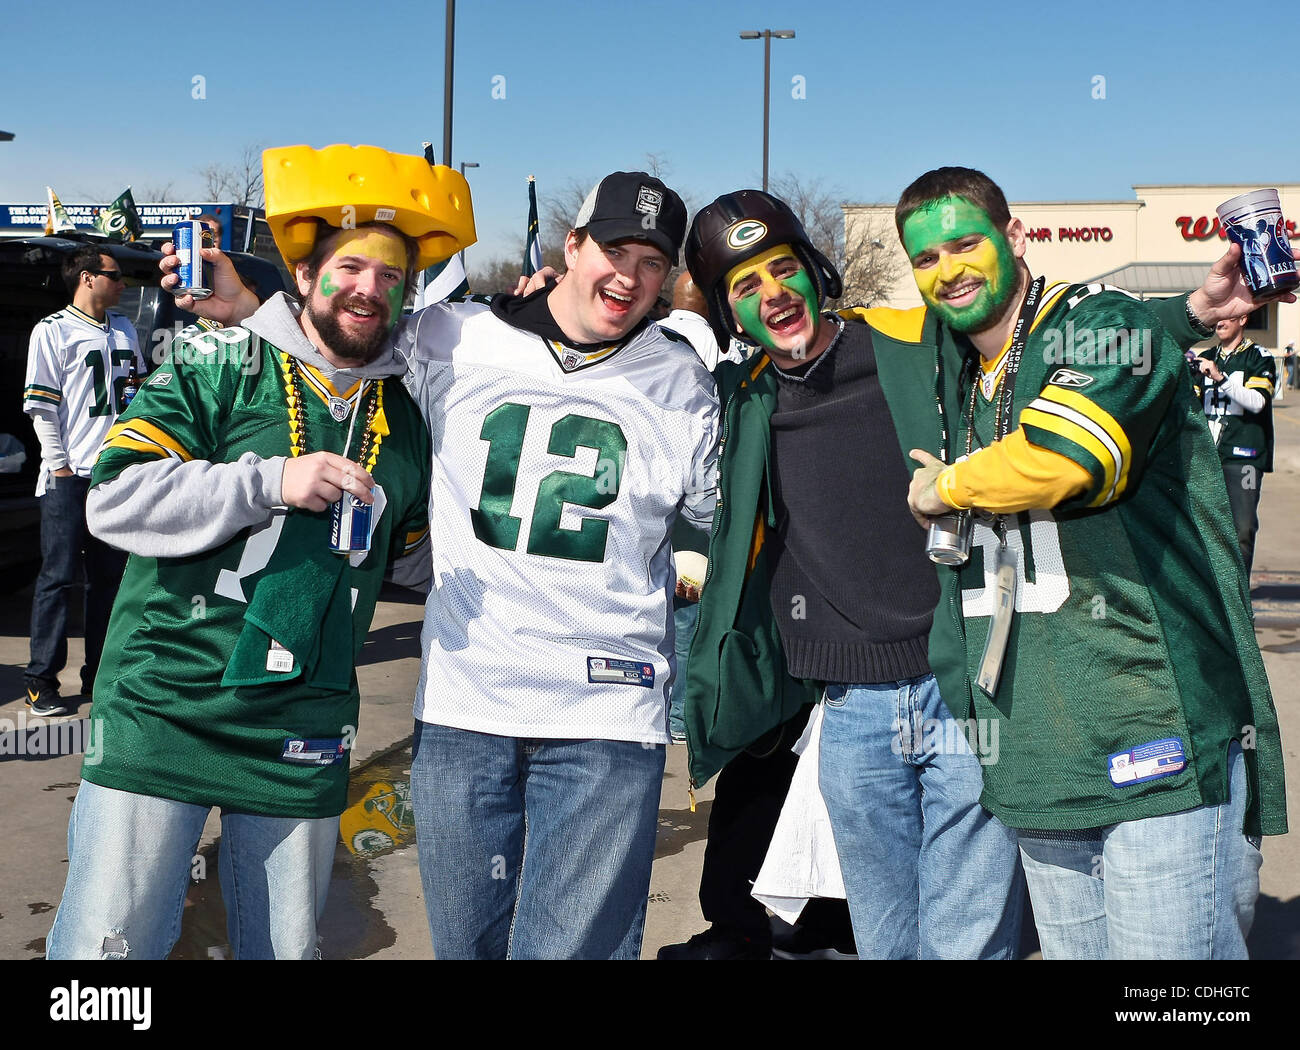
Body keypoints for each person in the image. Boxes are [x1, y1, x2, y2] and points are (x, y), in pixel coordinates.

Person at [167, 170, 717, 960]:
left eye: (653, 262)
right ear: (573, 245)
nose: (629, 276)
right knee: (465, 947)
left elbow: (726, 517)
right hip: (466, 707)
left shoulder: (682, 382)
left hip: (605, 717)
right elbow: (344, 350)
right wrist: (254, 311)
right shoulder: (454, 335)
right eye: (614, 249)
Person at [45, 145, 447, 959]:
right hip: (166, 710)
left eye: (391, 276)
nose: (370, 289)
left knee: (286, 952)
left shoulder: (407, 414)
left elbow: (412, 559)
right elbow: (113, 498)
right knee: (107, 952)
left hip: (302, 729)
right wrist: (266, 482)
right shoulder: (218, 356)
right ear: (302, 277)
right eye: (350, 268)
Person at [899, 167, 1288, 959]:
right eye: (927, 259)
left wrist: (945, 487)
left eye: (966, 243)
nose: (950, 271)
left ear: (1014, 238)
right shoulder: (959, 369)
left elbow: (1069, 457)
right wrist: (1183, 316)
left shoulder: (1097, 319)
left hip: (1152, 738)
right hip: (1041, 751)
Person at [670, 189, 1022, 960]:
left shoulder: (914, 349)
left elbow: (1030, 337)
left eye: (783, 269)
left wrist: (1191, 316)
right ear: (731, 312)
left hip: (960, 683)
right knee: (883, 934)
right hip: (852, 706)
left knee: (967, 935)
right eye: (746, 286)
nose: (774, 294)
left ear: (815, 271)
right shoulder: (742, 401)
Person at [22, 245, 145, 716]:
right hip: (69, 474)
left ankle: (99, 675)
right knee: (58, 578)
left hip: (113, 472)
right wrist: (59, 465)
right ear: (88, 278)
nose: (122, 285)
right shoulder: (52, 331)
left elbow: (135, 394)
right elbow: (41, 405)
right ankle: (40, 680)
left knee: (109, 582)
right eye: (115, 276)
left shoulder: (125, 329)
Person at [1192, 314, 1277, 574]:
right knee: (1203, 531)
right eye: (1217, 316)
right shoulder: (1205, 356)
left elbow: (1257, 402)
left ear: (1242, 318)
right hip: (1207, 457)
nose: (1220, 321)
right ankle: (1211, 598)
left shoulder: (1259, 357)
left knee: (1242, 528)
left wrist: (1221, 379)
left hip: (1244, 457)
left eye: (1228, 316)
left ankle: (1239, 598)